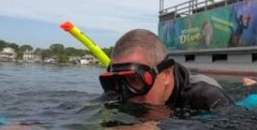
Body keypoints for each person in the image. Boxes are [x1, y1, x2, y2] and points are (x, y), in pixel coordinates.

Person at [99, 29, 232, 111]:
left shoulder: (206, 96)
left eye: (135, 79)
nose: (128, 95)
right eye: (116, 82)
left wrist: (162, 127)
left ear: (167, 74)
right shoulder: (121, 91)